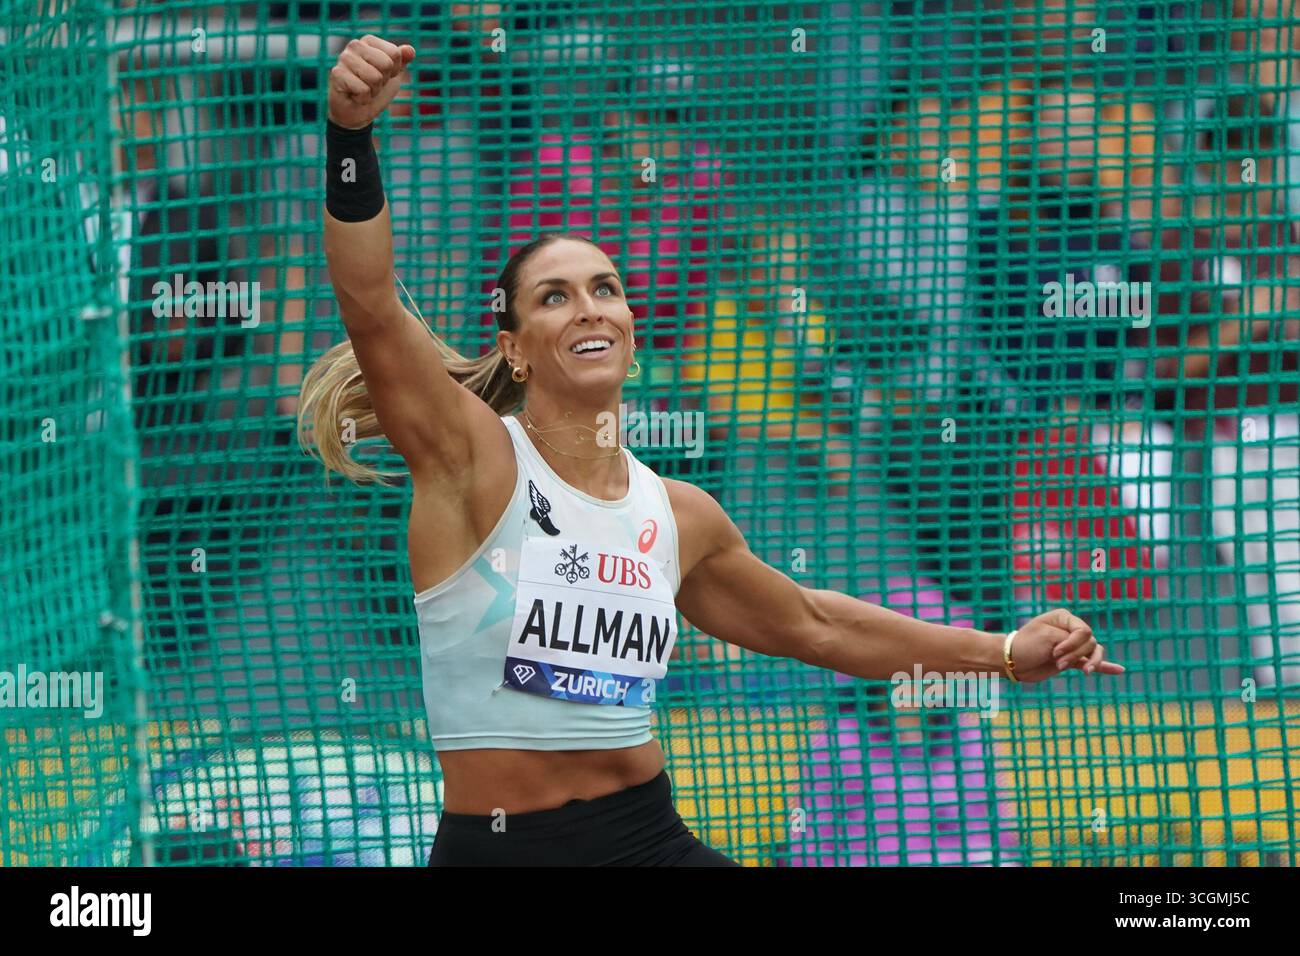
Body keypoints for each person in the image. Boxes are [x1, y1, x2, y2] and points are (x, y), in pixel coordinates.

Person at [298, 34, 1125, 867]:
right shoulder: (475, 461)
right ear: (513, 349)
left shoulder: (677, 513)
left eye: (606, 289)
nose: (589, 308)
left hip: (647, 840)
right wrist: (349, 139)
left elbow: (818, 625)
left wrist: (1003, 654)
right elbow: (370, 306)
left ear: (630, 325)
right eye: (555, 296)